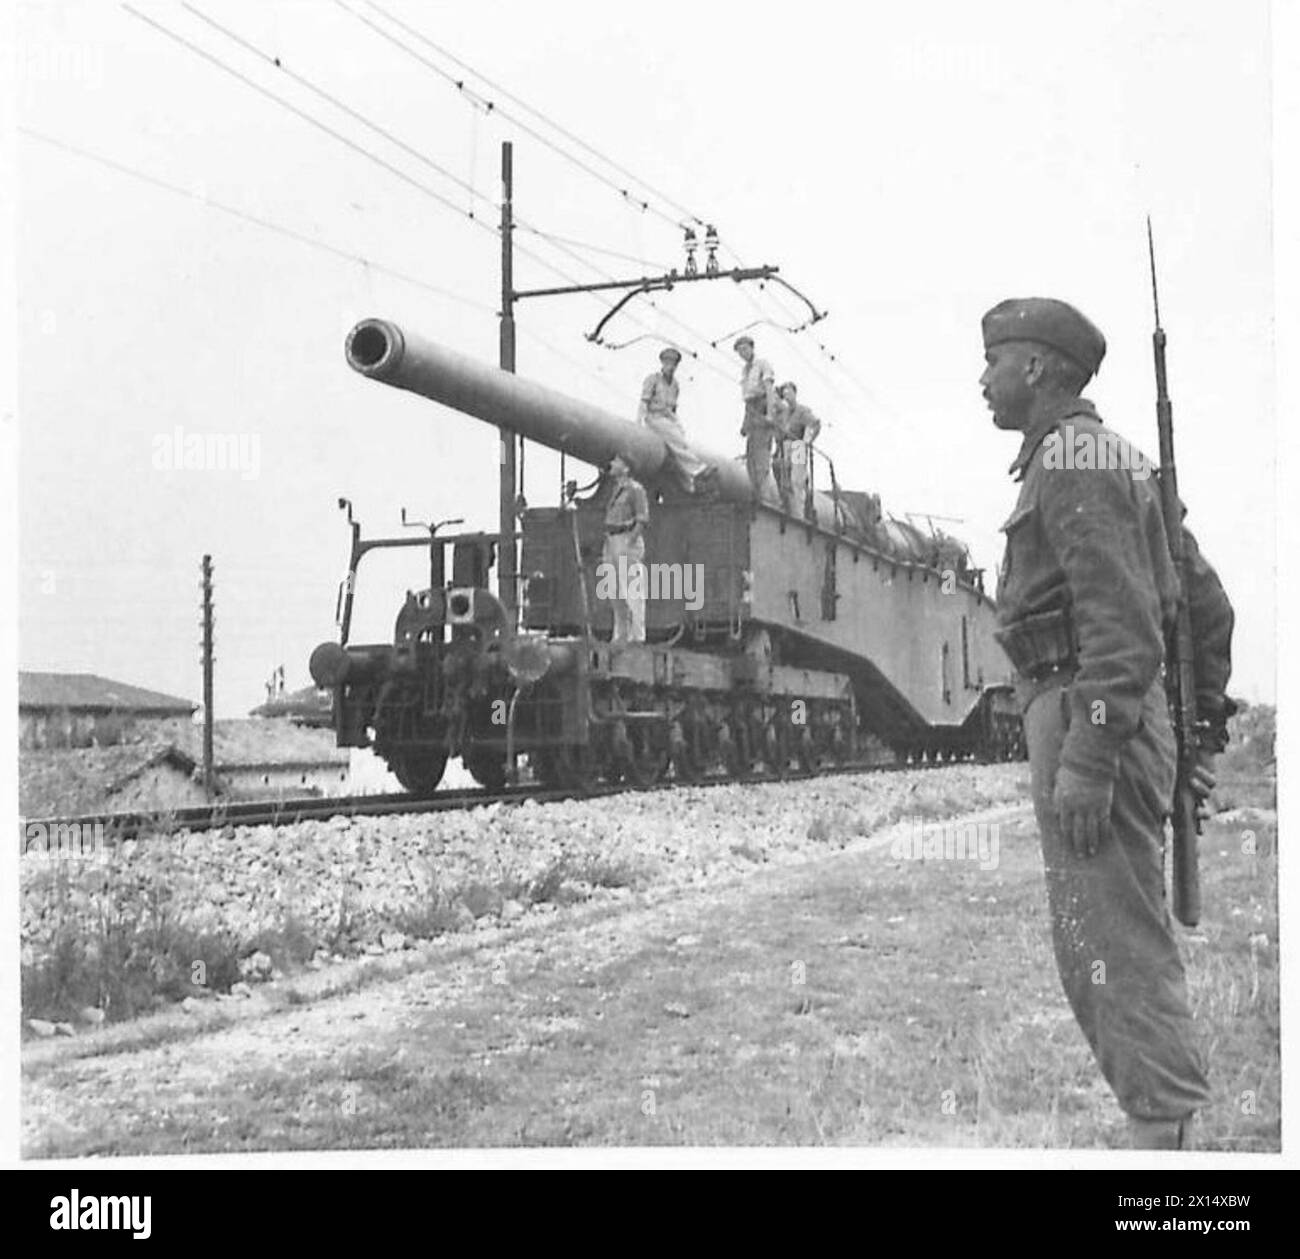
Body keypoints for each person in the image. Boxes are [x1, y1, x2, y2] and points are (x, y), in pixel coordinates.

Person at [980, 297, 1235, 1151]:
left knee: (1113, 951)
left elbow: (1121, 629)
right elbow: (1205, 604)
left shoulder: (1075, 459)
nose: (984, 380)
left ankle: (1162, 1169)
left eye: (996, 361)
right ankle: (1163, 1136)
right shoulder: (1104, 458)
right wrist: (1196, 732)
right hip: (1109, 716)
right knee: (1109, 941)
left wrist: (1090, 754)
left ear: (1040, 369)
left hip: (1091, 716)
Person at [637, 347, 715, 496]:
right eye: (667, 363)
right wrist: (638, 424)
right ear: (662, 363)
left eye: (673, 364)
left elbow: (673, 409)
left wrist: (677, 424)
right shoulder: (652, 379)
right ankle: (697, 469)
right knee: (676, 439)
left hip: (668, 417)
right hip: (654, 417)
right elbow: (644, 402)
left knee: (680, 440)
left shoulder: (675, 385)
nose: (670, 367)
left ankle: (689, 484)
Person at [602, 455, 650, 644]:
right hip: (612, 540)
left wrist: (630, 540)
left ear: (627, 468)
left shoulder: (635, 490)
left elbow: (642, 519)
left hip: (625, 539)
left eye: (617, 462)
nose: (612, 464)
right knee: (614, 590)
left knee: (632, 590)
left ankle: (637, 635)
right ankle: (621, 633)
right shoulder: (616, 490)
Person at [734, 335, 777, 497]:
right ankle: (758, 494)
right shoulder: (746, 370)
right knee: (752, 458)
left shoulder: (802, 413)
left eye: (744, 349)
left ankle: (766, 496)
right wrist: (745, 423)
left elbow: (769, 390)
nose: (742, 353)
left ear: (752, 347)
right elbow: (748, 399)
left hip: (795, 445)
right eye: (739, 351)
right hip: (753, 412)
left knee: (763, 460)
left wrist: (770, 414)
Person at [771, 381, 821, 518]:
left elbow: (816, 424)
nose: (786, 396)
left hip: (798, 446)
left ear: (794, 393)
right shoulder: (783, 413)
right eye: (785, 394)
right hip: (784, 447)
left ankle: (798, 515)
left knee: (796, 482)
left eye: (789, 393)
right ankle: (785, 507)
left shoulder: (802, 411)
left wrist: (807, 441)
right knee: (781, 477)